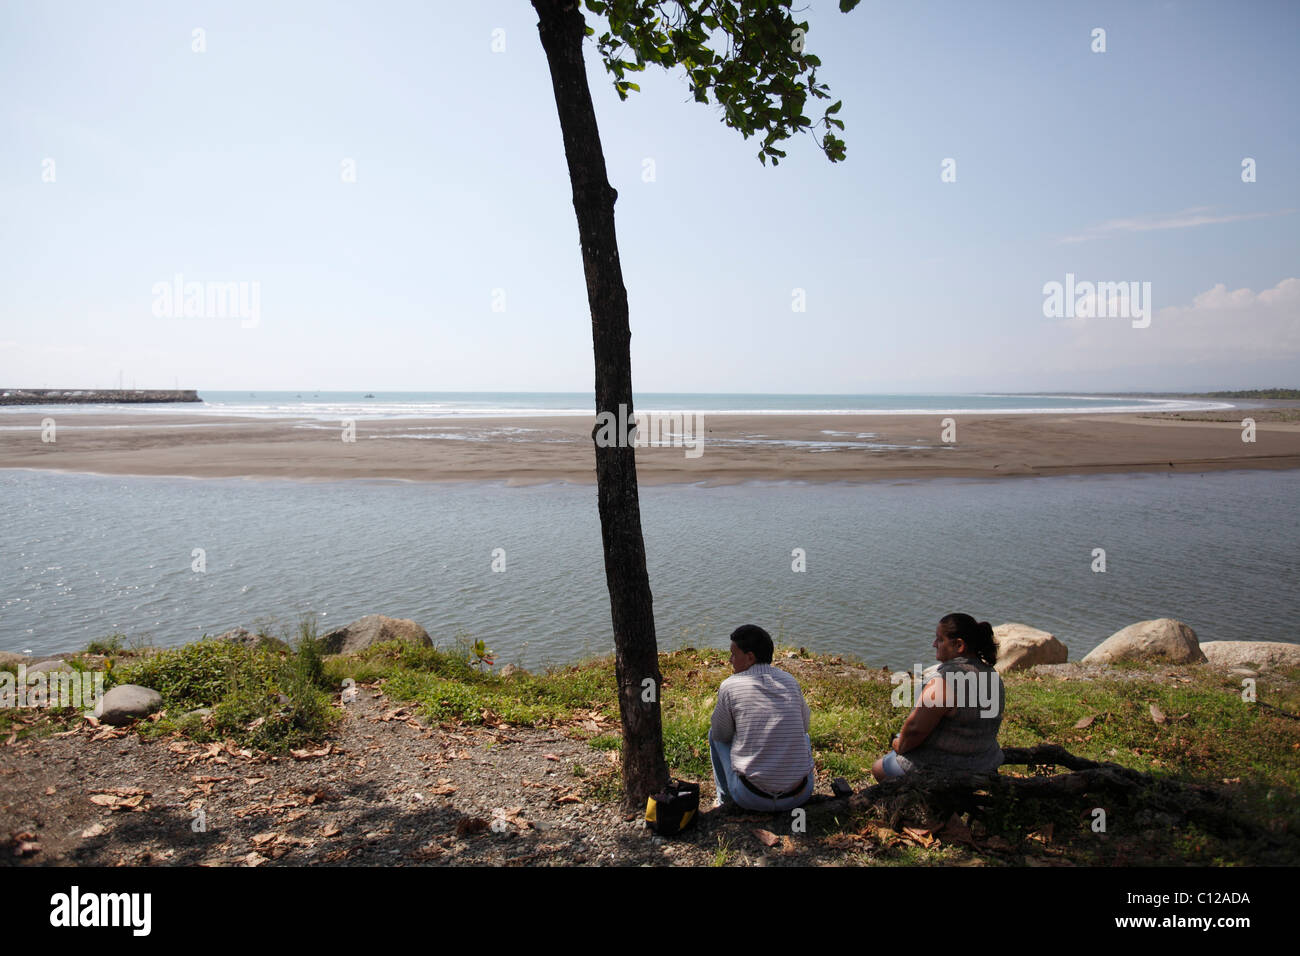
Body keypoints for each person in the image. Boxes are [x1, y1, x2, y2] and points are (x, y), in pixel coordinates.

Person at [871, 613, 1005, 782]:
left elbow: (915, 730)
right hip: (984, 761)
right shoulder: (991, 675)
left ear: (959, 645)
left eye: (940, 640)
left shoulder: (946, 680)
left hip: (945, 769)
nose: (934, 644)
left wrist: (899, 745)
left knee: (879, 768)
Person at [709, 624, 815, 811]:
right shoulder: (789, 680)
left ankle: (725, 799)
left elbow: (721, 734)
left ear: (750, 657)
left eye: (734, 655)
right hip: (800, 795)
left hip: (751, 797)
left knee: (713, 734)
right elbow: (805, 727)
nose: (730, 660)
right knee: (803, 737)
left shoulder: (730, 685)